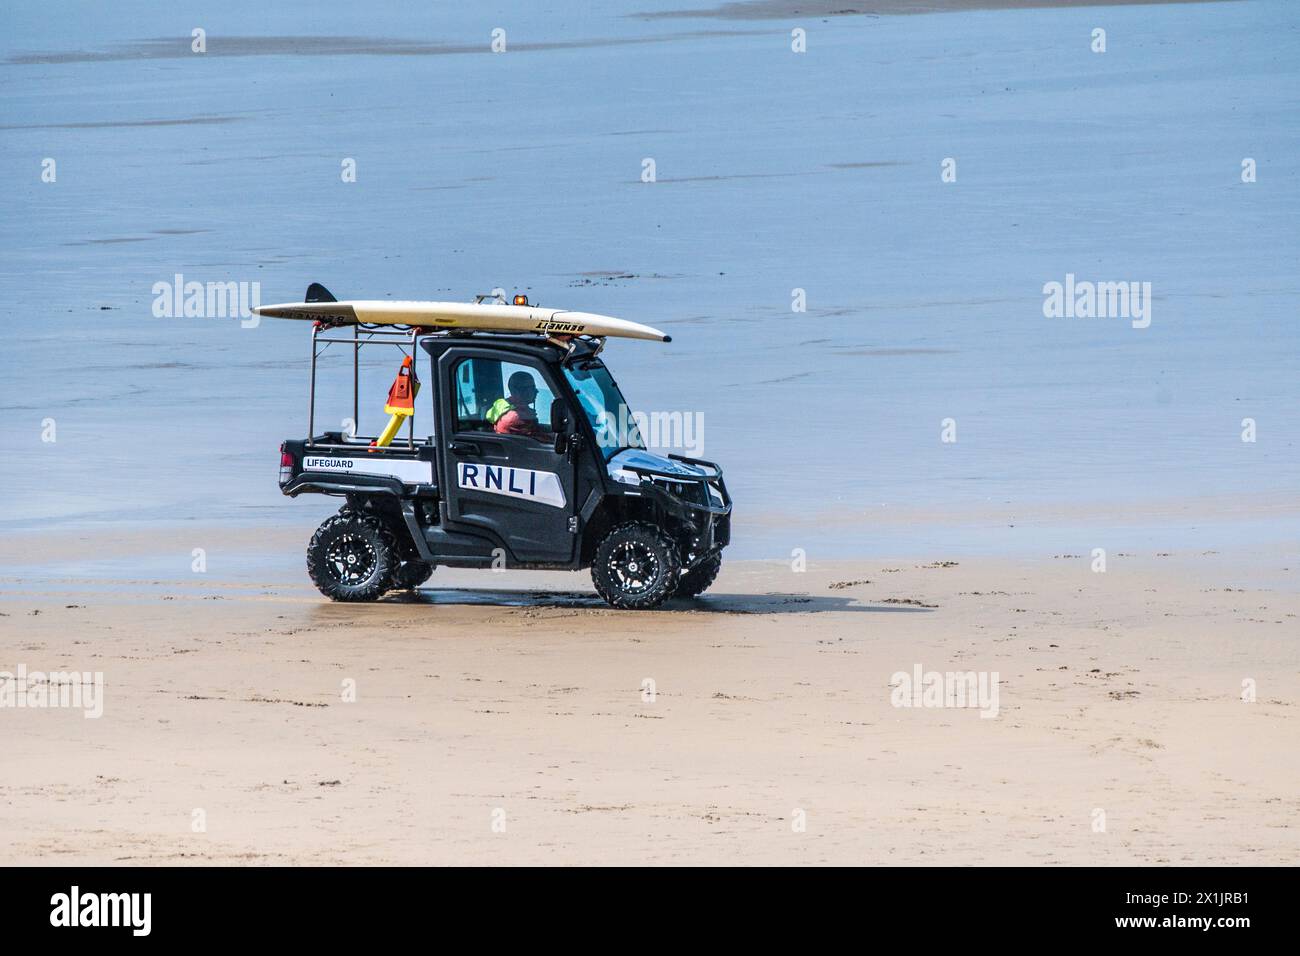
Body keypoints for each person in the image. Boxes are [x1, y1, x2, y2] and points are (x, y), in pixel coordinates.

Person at [487, 371, 548, 440]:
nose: (536, 391)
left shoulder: (510, 407)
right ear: (517, 391)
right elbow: (537, 440)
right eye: (532, 387)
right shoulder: (517, 417)